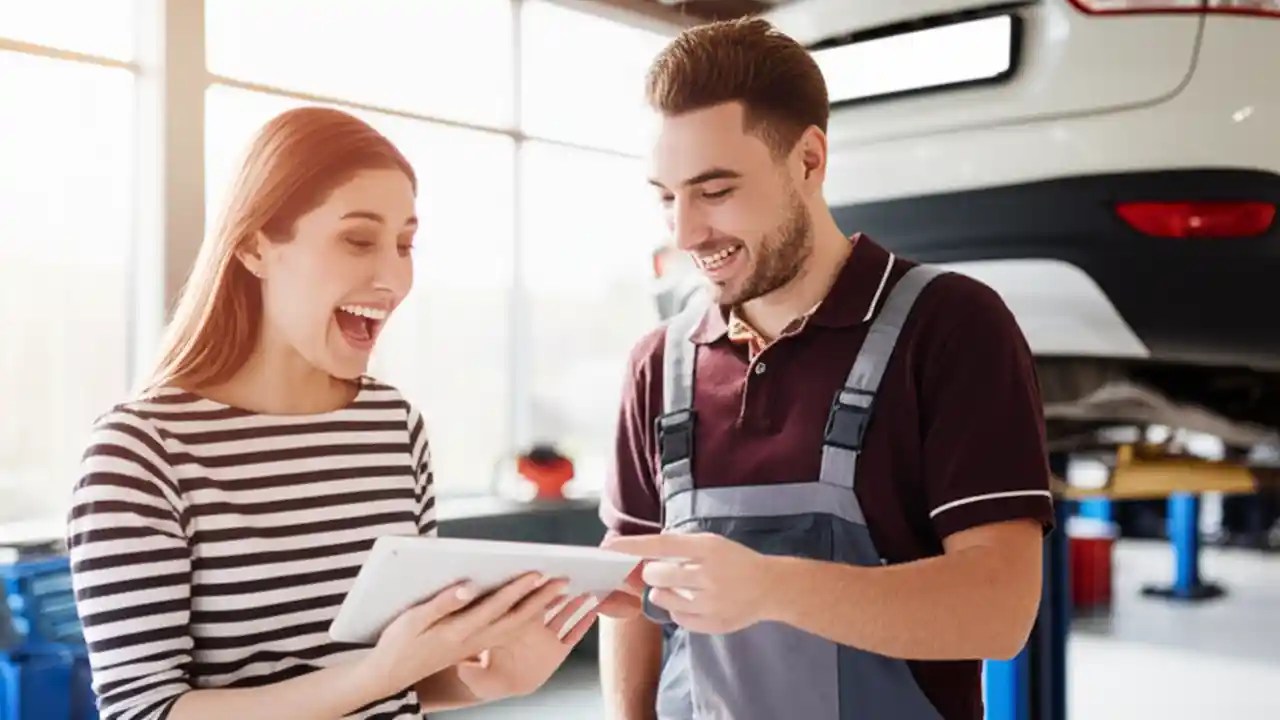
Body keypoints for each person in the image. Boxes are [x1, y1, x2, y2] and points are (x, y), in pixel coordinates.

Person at [65, 107, 596, 720]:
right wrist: (377, 673)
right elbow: (143, 711)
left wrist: (493, 680)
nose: (393, 278)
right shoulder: (142, 452)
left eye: (405, 245)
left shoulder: (394, 426)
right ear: (254, 246)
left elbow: (402, 678)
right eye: (358, 240)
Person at [595, 17, 1055, 720]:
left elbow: (1000, 611)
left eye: (715, 192)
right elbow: (629, 603)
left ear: (809, 161)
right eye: (666, 196)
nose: (685, 232)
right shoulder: (657, 365)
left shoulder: (951, 328)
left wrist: (770, 588)